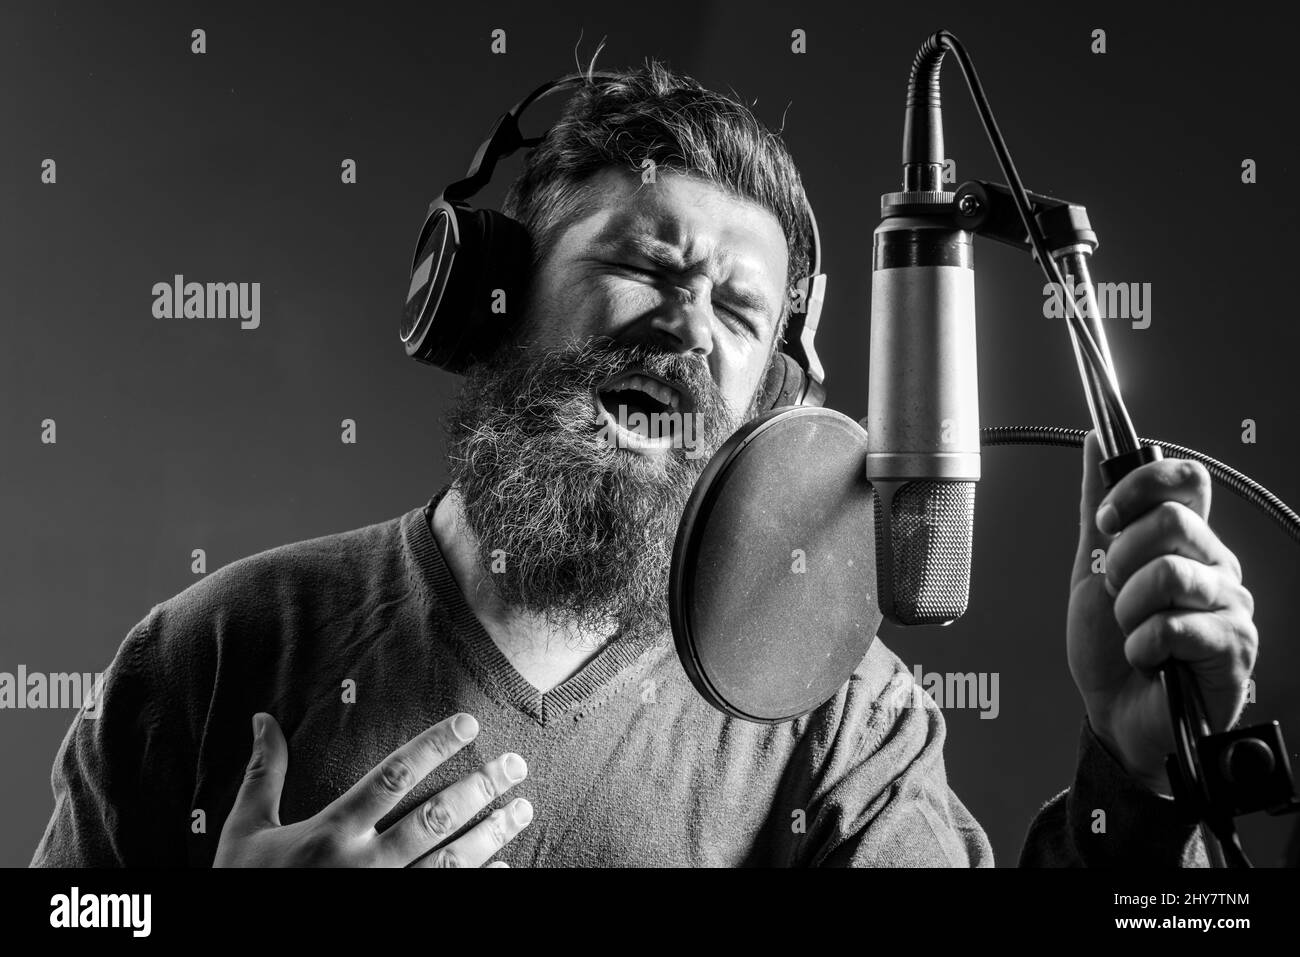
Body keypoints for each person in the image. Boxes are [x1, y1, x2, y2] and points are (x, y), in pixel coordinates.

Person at [31, 60, 1256, 868]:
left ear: (773, 392)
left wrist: (1131, 779)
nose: (688, 329)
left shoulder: (836, 710)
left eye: (738, 310)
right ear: (493, 303)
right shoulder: (214, 649)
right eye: (648, 270)